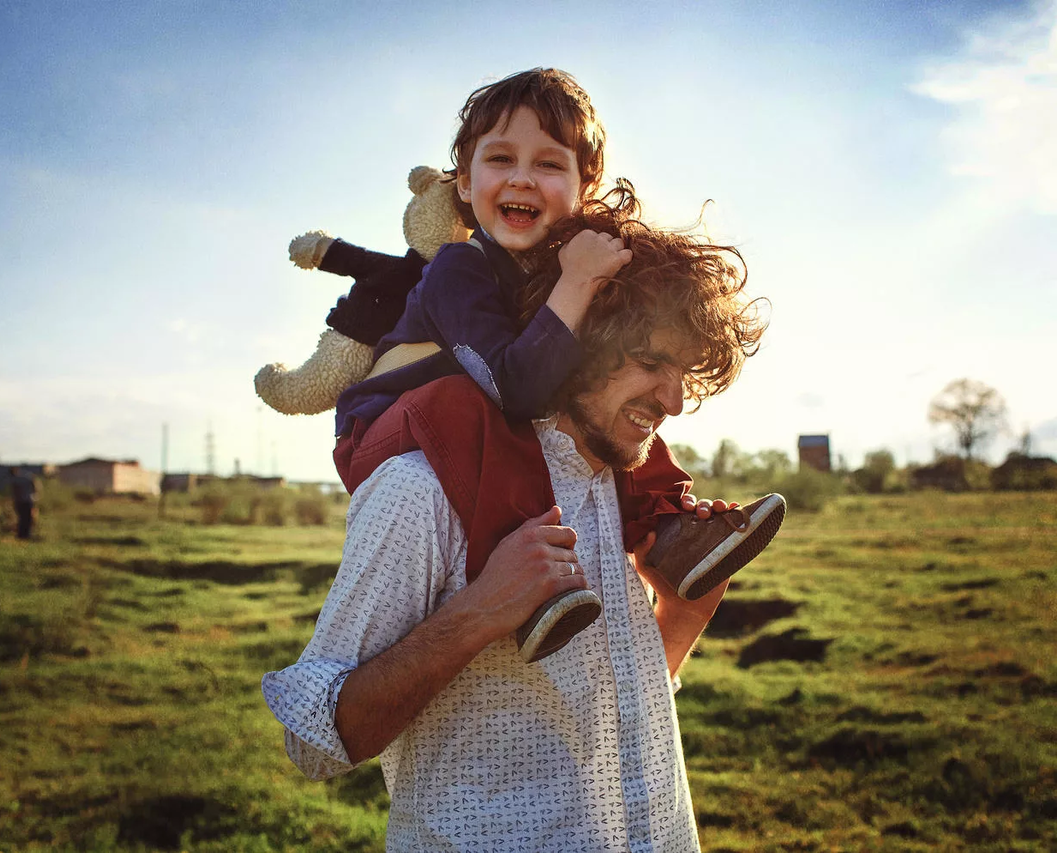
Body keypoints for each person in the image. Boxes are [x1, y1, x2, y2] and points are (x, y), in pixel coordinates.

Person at [263, 212, 768, 850]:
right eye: (649, 362)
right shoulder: (422, 488)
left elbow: (604, 706)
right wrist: (478, 613)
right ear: (578, 334)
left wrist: (683, 613)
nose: (672, 401)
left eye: (686, 376)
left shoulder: (628, 493)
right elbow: (315, 743)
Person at [332, 68, 781, 661]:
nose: (522, 177)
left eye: (548, 164)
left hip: (476, 422)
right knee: (467, 400)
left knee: (611, 393)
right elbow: (513, 390)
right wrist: (577, 279)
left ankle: (671, 531)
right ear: (464, 184)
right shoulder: (457, 270)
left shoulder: (554, 269)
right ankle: (529, 576)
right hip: (389, 428)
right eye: (500, 158)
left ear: (583, 186)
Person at [8, 466, 38, 539]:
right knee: (26, 519)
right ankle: (25, 535)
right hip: (27, 500)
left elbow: (14, 491)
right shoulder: (27, 476)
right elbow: (35, 485)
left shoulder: (18, 478)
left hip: (23, 501)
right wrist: (35, 495)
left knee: (23, 519)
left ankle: (23, 535)